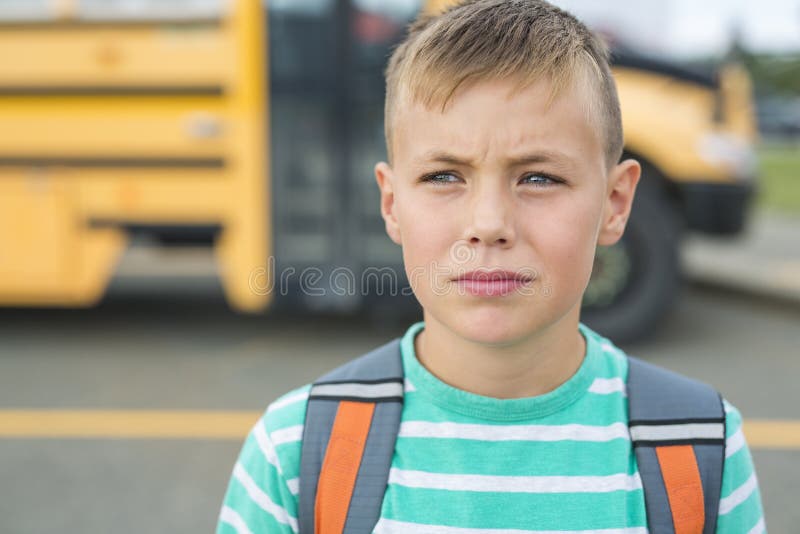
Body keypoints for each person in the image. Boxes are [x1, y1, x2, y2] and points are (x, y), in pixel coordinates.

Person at [216, 1, 765, 532]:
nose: (488, 223)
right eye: (443, 177)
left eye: (539, 178)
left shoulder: (700, 448)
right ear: (391, 204)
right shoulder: (295, 454)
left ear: (615, 203)